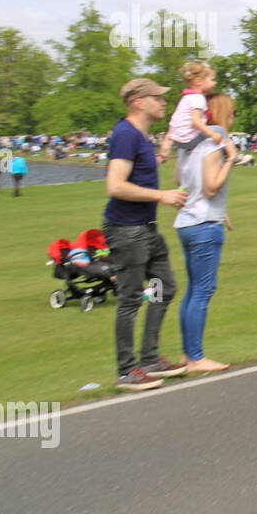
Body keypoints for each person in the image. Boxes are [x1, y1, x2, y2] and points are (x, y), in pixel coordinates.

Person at [103, 79, 189, 391]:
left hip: (145, 231)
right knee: (130, 299)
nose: (163, 103)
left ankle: (149, 359)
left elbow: (139, 169)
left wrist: (162, 155)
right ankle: (127, 370)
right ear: (139, 101)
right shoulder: (126, 133)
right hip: (127, 232)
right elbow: (115, 185)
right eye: (158, 98)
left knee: (163, 288)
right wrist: (161, 196)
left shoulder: (138, 135)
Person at [172, 92, 237, 374]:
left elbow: (179, 179)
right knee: (203, 289)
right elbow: (211, 186)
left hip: (186, 221)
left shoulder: (188, 139)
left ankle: (188, 353)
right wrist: (230, 160)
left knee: (192, 289)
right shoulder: (217, 135)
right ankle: (197, 357)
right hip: (204, 225)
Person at [157, 60, 217, 177]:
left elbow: (175, 120)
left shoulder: (186, 98)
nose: (214, 83)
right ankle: (230, 155)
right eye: (211, 79)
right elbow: (196, 121)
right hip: (189, 140)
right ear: (199, 81)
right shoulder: (198, 98)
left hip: (179, 141)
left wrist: (169, 139)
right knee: (218, 131)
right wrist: (213, 134)